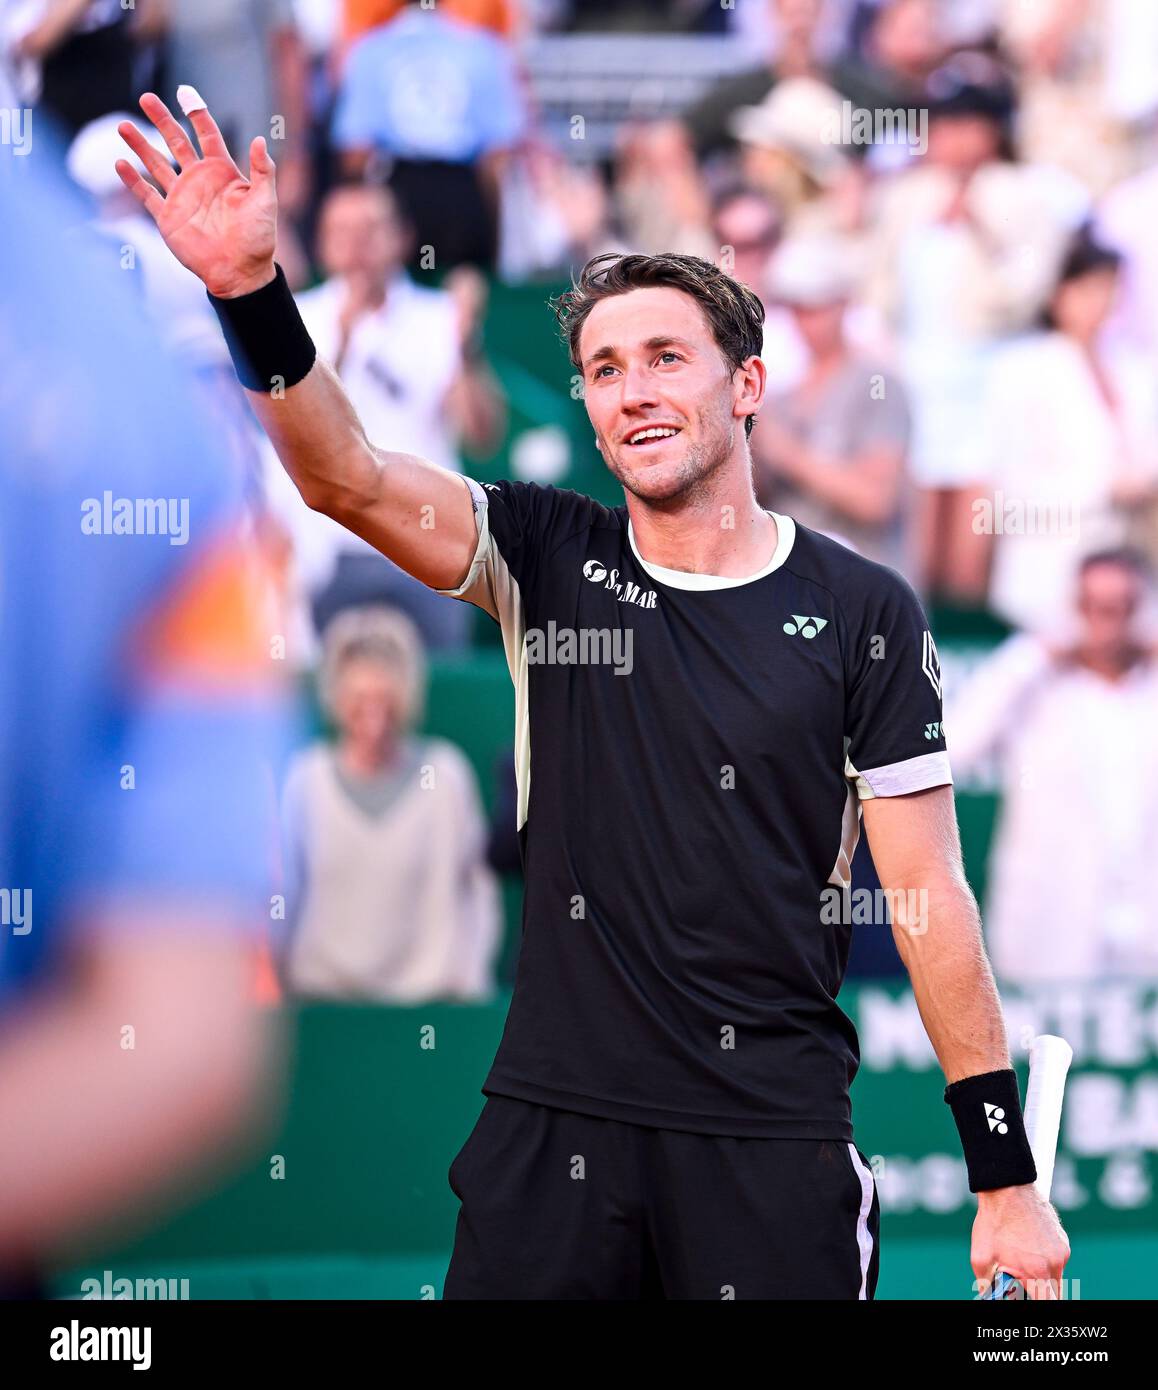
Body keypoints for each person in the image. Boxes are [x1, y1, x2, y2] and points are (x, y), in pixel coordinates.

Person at [116, 87, 1070, 1300]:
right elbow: (345, 478)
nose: (632, 390)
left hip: (770, 1138)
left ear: (749, 384)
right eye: (604, 370)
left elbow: (929, 893)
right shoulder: (546, 553)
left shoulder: (867, 608)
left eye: (667, 357)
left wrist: (1004, 1174)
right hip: (550, 1128)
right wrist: (250, 291)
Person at [0, 137, 287, 1297]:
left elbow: (183, 1040)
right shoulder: (114, 368)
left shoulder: (122, 391)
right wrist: (253, 298)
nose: (635, 398)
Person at [263, 179, 503, 649]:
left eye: (370, 229)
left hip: (422, 543)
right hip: (325, 546)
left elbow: (481, 434)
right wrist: (344, 338)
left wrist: (466, 342)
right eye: (342, 230)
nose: (355, 244)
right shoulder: (295, 317)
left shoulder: (440, 318)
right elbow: (285, 427)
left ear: (401, 237)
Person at [948, 549, 1158, 983]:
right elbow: (953, 748)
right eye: (1092, 606)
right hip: (1051, 926)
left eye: (1121, 607)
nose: (1107, 621)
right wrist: (1033, 652)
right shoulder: (1034, 685)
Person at [279, 606, 501, 1001]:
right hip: (322, 1006)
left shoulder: (445, 775)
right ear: (337, 699)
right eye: (360, 701)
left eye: (385, 701)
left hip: (427, 1009)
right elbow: (281, 894)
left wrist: (468, 982)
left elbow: (479, 893)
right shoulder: (304, 781)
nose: (374, 720)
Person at [982, 232, 1158, 637]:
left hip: (1129, 575)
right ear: (1057, 294)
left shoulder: (1134, 368)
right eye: (1090, 288)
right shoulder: (1021, 369)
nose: (1103, 300)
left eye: (1111, 287)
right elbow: (1011, 488)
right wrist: (1104, 486)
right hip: (1052, 574)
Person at [753, 234, 912, 574]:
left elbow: (875, 500)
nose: (805, 320)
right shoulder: (779, 393)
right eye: (796, 308)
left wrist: (787, 453)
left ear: (843, 302)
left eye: (815, 306)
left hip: (867, 586)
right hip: (797, 586)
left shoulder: (877, 385)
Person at [331, 0, 527, 269]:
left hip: (399, 192)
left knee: (400, 298)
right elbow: (498, 156)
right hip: (462, 195)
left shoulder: (370, 49)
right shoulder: (484, 49)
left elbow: (355, 153)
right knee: (465, 291)